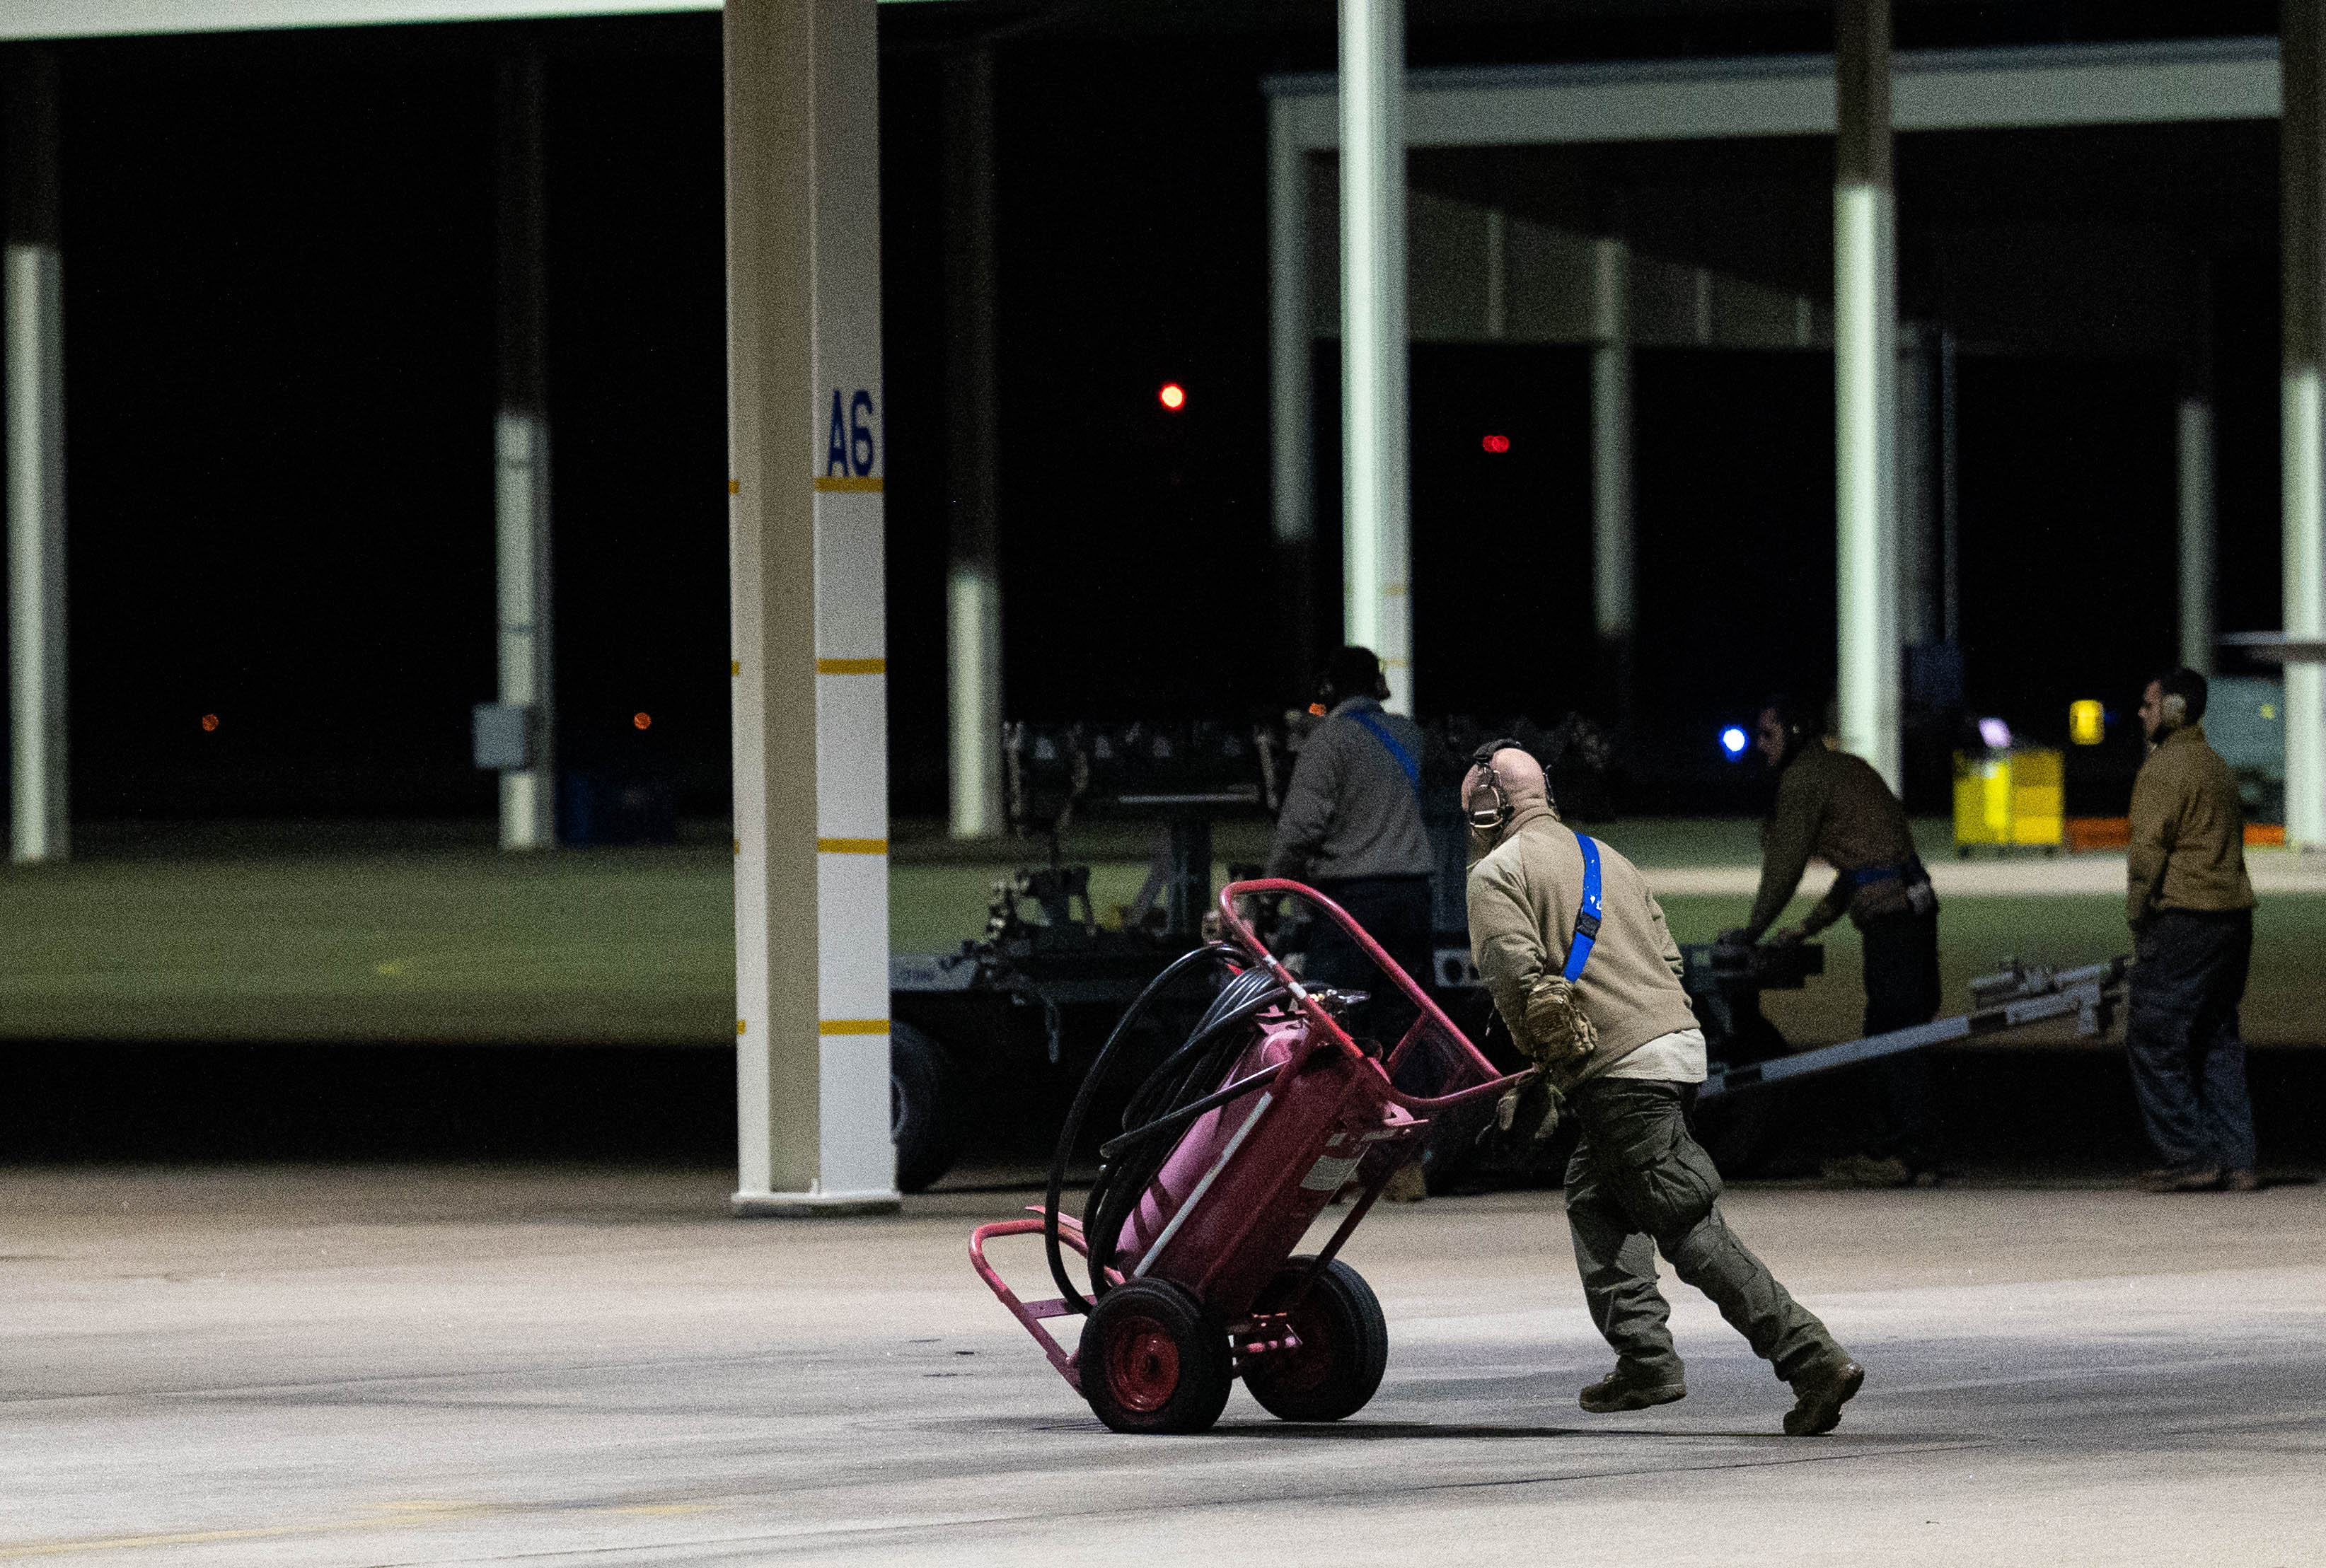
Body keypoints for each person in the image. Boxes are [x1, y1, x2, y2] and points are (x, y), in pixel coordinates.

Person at [1464, 743, 1865, 1434]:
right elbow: (1670, 959)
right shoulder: (1606, 859)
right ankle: (1646, 1360)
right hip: (1676, 1050)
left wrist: (1539, 1075)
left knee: (1685, 1222)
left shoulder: (1497, 874)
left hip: (1618, 1071)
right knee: (1595, 1195)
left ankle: (1811, 1357)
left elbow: (1518, 984)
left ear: (1486, 804)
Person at [1720, 696, 1940, 1185]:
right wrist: (1807, 926)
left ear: (1795, 732)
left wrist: (1751, 931)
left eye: (1768, 734)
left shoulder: (1804, 778)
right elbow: (1864, 869)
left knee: (1891, 1034)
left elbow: (1784, 868)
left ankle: (1900, 1155)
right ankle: (1910, 1150)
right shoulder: (1844, 768)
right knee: (1907, 1032)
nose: (1760, 745)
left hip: (1892, 917)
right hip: (1916, 905)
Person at [2126, 667, 2259, 1193]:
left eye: (2149, 704)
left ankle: (2190, 1155)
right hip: (2233, 920)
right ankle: (2238, 1158)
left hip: (2187, 919)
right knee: (2216, 1036)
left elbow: (2147, 857)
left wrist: (2139, 915)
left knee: (2156, 1040)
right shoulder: (2217, 766)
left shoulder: (2165, 770)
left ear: (2175, 710)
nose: (2142, 713)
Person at [1266, 646, 1435, 1012]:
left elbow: (1299, 833)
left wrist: (1267, 898)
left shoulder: (1328, 742)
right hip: (1414, 896)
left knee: (1333, 1023)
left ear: (1328, 689)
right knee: (1407, 1021)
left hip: (1354, 901)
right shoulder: (1410, 735)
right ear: (1378, 685)